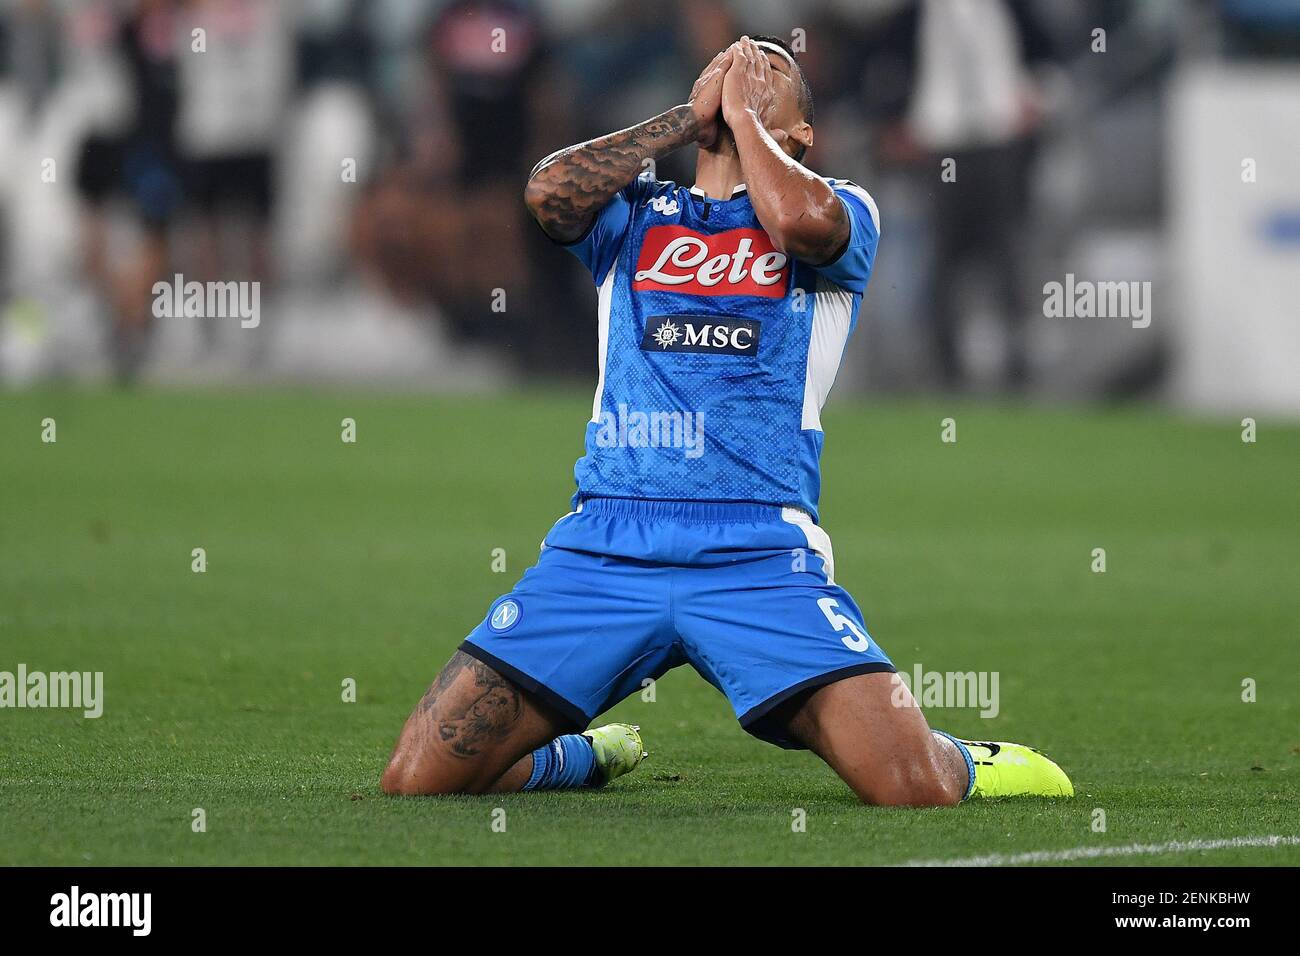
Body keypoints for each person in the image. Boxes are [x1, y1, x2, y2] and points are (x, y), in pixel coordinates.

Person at [382, 37, 1072, 805]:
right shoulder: (638, 215)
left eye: (771, 67)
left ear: (803, 133)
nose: (744, 64)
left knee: (912, 789)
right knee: (420, 779)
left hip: (756, 553)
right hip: (608, 544)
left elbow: (803, 227)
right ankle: (581, 759)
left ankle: (966, 757)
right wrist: (685, 121)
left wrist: (745, 122)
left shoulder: (843, 210)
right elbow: (548, 194)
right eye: (729, 64)